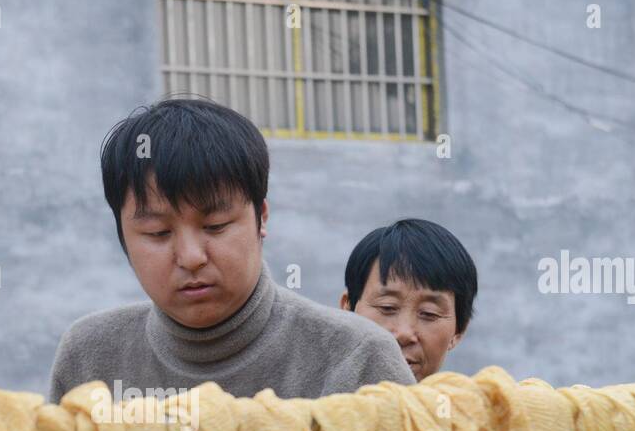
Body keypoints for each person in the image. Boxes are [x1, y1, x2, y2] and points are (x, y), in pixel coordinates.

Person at [47, 98, 413, 403]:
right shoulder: (90, 359)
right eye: (158, 232)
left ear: (261, 218)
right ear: (123, 238)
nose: (191, 257)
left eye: (215, 226)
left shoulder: (357, 359)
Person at [339, 218, 477, 382]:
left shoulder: (472, 406)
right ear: (347, 310)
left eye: (428, 313)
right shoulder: (307, 402)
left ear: (458, 331)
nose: (404, 334)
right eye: (387, 307)